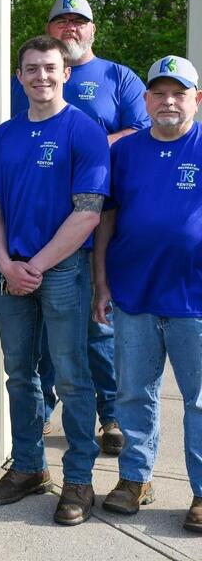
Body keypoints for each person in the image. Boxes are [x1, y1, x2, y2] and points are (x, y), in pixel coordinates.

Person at [0, 36, 109, 526]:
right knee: (19, 375)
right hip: (10, 271)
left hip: (61, 271)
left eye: (50, 68)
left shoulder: (85, 130)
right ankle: (30, 468)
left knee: (73, 376)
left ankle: (79, 479)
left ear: (66, 74)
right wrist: (6, 264)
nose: (41, 76)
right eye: (31, 68)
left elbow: (89, 213)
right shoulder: (5, 135)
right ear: (20, 76)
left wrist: (33, 265)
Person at [13, 0, 149, 452]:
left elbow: (142, 131)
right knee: (51, 332)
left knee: (97, 325)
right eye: (61, 22)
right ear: (49, 30)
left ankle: (109, 415)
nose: (70, 28)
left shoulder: (117, 76)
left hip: (101, 220)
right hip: (46, 228)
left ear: (92, 30)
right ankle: (50, 409)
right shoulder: (33, 76)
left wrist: (87, 146)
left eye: (79, 22)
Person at [93, 55, 202, 533]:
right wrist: (100, 281)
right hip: (133, 293)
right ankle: (135, 479)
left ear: (196, 99)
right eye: (159, 93)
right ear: (146, 100)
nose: (168, 101)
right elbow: (106, 220)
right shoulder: (125, 152)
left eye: (179, 93)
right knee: (134, 394)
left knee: (200, 401)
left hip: (195, 300)